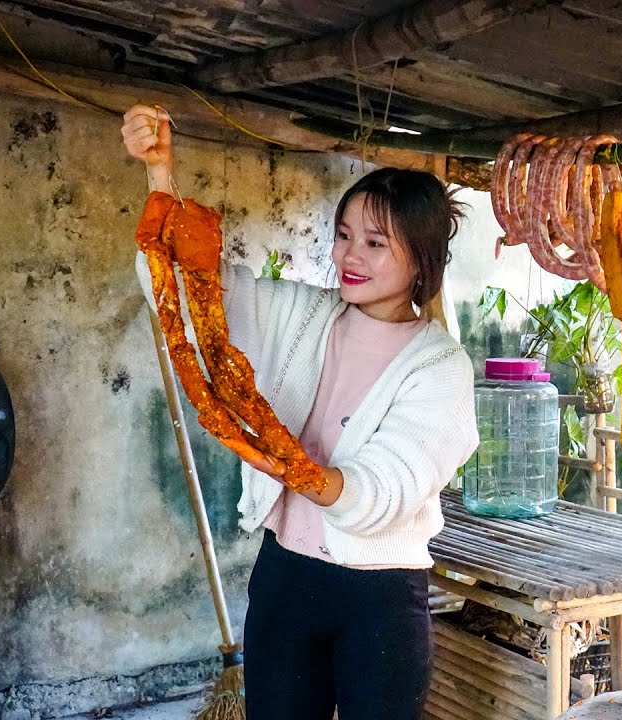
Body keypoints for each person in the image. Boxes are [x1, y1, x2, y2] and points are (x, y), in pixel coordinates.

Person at [120, 104, 479, 720]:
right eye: (344, 235)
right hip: (286, 575)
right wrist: (160, 175)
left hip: (380, 593)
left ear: (421, 260)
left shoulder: (439, 366)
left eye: (374, 242)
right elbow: (184, 286)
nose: (350, 255)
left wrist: (289, 465)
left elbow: (390, 486)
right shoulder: (304, 315)